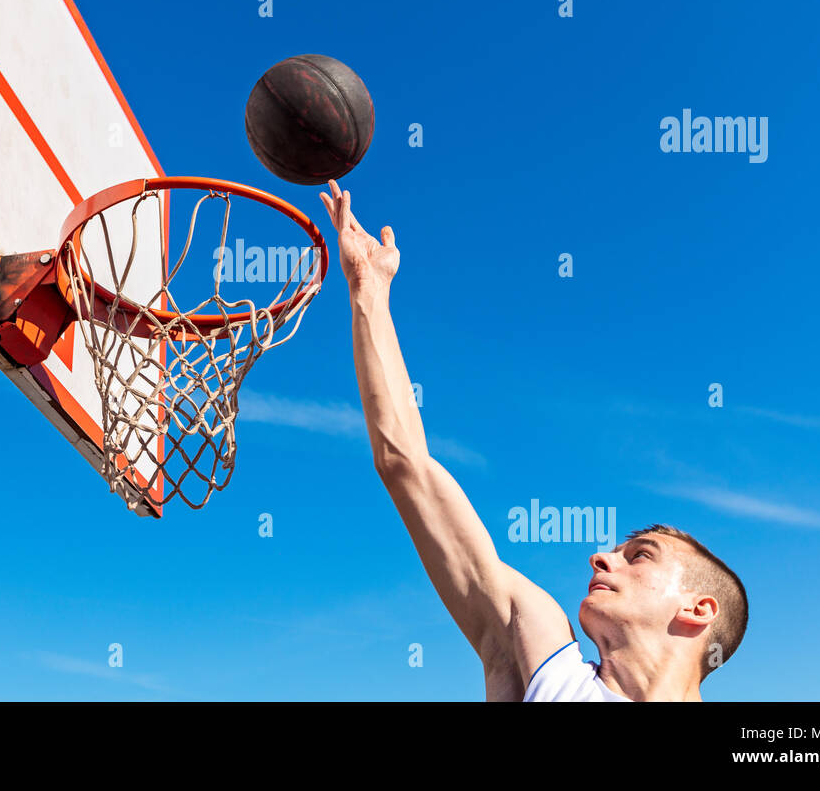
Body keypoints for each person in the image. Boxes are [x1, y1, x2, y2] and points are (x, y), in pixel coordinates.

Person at [318, 181, 748, 701]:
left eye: (639, 556)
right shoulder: (544, 659)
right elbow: (405, 465)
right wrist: (368, 289)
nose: (600, 558)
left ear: (697, 609)